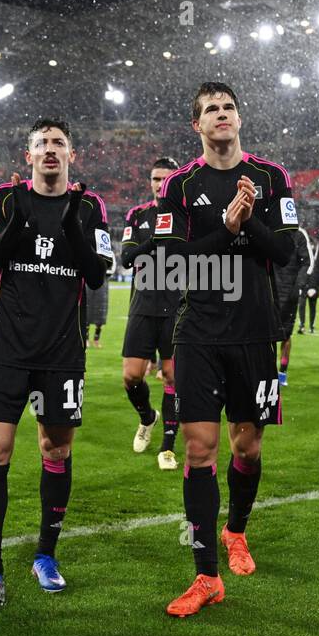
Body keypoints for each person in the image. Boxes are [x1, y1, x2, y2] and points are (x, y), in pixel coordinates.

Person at [154, 81, 297, 616]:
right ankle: (206, 575)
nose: (221, 115)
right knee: (199, 450)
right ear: (198, 126)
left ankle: (236, 531)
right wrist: (227, 227)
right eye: (211, 109)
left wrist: (252, 222)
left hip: (254, 331)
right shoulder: (179, 186)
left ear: (239, 119)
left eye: (229, 107)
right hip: (199, 332)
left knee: (247, 447)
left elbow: (284, 252)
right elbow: (172, 261)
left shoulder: (270, 177)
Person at [0, 118, 110, 606]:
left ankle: (46, 553)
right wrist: (16, 225)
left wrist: (69, 223)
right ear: (28, 156)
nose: (50, 150)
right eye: (42, 144)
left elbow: (95, 275)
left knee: (55, 449)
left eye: (59, 143)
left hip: (62, 352)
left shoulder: (90, 206)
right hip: (5, 347)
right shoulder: (5, 199)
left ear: (72, 155)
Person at [121, 157, 183, 470]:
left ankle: (168, 449)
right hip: (143, 304)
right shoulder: (138, 215)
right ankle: (148, 417)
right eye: (156, 179)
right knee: (131, 376)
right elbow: (126, 257)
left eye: (166, 179)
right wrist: (153, 240)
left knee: (172, 376)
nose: (160, 184)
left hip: (177, 305)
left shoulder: (188, 216)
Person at [275, 224, 314, 386]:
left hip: (290, 292)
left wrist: (298, 286)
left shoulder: (298, 235)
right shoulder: (271, 231)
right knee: (266, 336)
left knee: (286, 335)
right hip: (272, 292)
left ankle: (282, 373)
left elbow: (307, 263)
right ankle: (268, 372)